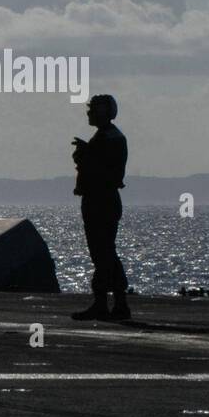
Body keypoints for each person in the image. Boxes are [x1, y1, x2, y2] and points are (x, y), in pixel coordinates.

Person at [71, 94, 129, 320]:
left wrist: (85, 155)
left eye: (93, 110)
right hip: (101, 199)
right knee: (104, 252)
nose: (89, 113)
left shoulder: (110, 139)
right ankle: (113, 303)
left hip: (101, 201)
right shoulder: (107, 137)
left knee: (103, 252)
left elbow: (105, 171)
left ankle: (106, 303)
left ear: (104, 113)